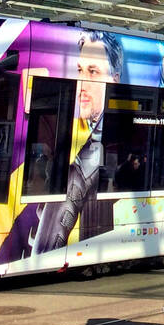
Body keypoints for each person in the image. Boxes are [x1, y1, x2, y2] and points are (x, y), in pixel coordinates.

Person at [33, 29, 123, 255]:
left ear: (114, 81)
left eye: (93, 72)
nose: (81, 84)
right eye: (80, 70)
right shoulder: (70, 128)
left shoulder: (115, 136)